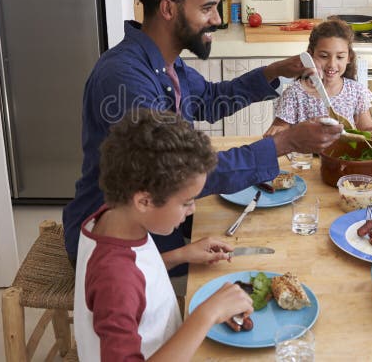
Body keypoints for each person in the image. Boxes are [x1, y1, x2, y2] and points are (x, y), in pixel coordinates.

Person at [63, 0, 342, 267]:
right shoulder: (125, 79)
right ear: (169, 9)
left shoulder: (165, 60)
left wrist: (277, 70)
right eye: (207, 8)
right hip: (118, 248)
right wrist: (287, 142)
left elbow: (210, 99)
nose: (216, 19)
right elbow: (179, 174)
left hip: (162, 225)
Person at [74, 108, 253, 361]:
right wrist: (205, 316)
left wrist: (180, 255)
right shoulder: (115, 280)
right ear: (144, 201)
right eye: (186, 202)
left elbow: (135, 274)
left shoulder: (112, 220)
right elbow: (123, 283)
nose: (192, 210)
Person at [264, 18, 372, 139]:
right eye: (324, 56)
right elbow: (280, 130)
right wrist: (277, 130)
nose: (332, 64)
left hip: (343, 159)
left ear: (349, 57)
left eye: (340, 57)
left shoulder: (356, 91)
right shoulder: (295, 93)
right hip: (307, 159)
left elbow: (366, 130)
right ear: (310, 55)